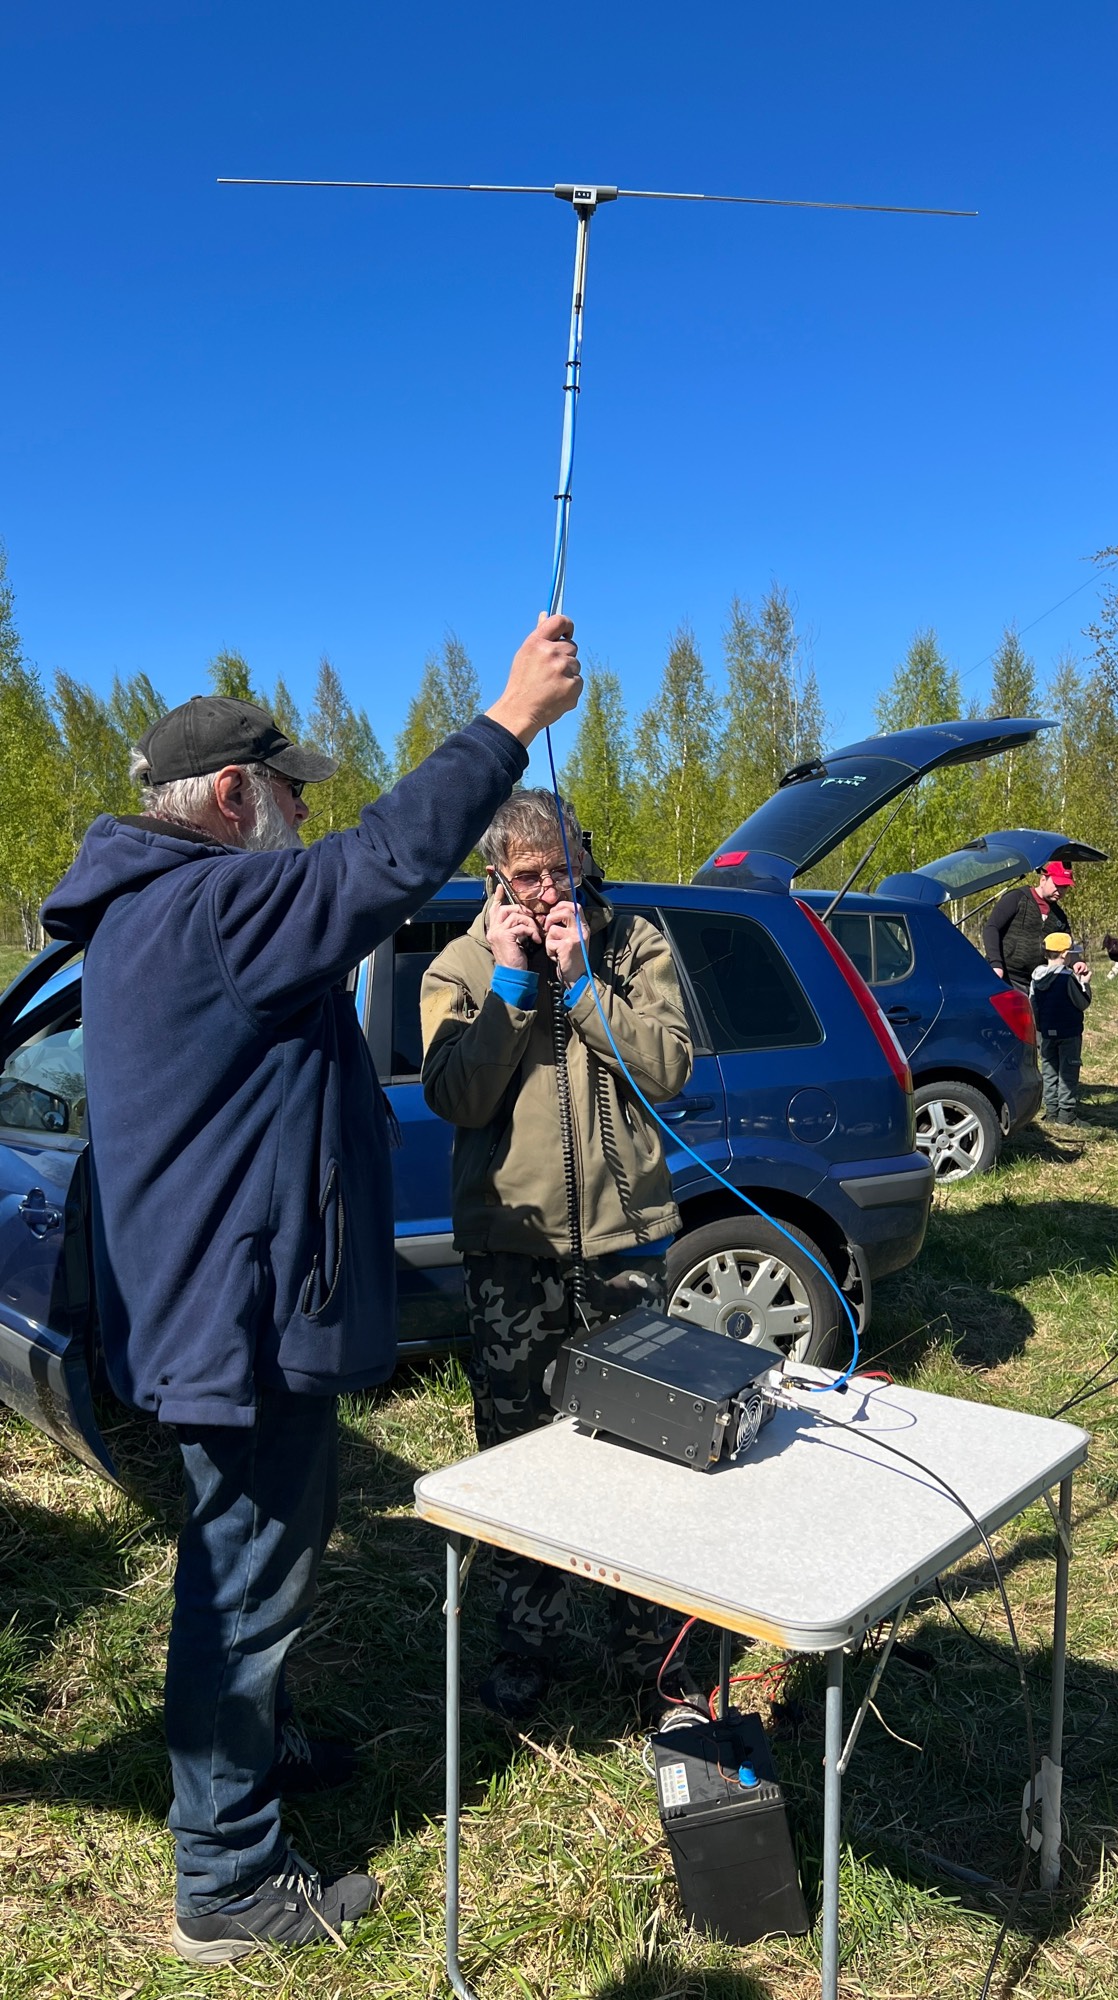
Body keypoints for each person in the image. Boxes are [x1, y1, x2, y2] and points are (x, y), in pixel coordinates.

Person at [38, 615, 582, 1963]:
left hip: (224, 1306)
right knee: (241, 1584)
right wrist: (510, 715)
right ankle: (226, 1880)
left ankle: (254, 1757)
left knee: (244, 1560)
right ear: (236, 797)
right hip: (238, 1323)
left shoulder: (150, 916)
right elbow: (385, 863)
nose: (298, 816)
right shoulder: (212, 904)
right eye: (289, 794)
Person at [418, 788, 694, 1721]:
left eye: (558, 870)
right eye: (524, 876)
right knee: (515, 1455)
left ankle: (646, 1654)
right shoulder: (460, 961)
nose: (543, 893)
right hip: (512, 1249)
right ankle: (526, 1648)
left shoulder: (633, 945)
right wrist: (509, 986)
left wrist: (581, 985)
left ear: (583, 862)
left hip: (625, 1245)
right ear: (496, 879)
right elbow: (455, 1097)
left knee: (641, 1450)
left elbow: (669, 1066)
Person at [1030, 932, 1092, 1129]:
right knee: (1068, 1070)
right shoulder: (1067, 978)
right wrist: (1085, 983)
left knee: (1049, 1071)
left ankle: (1051, 1111)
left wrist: (1040, 1028)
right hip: (1069, 1032)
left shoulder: (1036, 978)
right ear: (1065, 955)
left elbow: (1033, 1006)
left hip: (1047, 1032)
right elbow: (1082, 1003)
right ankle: (1066, 1114)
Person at [982, 861, 1074, 993]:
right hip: (1004, 978)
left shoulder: (1059, 916)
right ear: (1043, 880)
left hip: (1035, 983)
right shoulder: (1017, 898)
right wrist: (996, 964)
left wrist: (1077, 963)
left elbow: (1068, 944)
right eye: (1057, 885)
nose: (1060, 891)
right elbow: (991, 928)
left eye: (1064, 887)